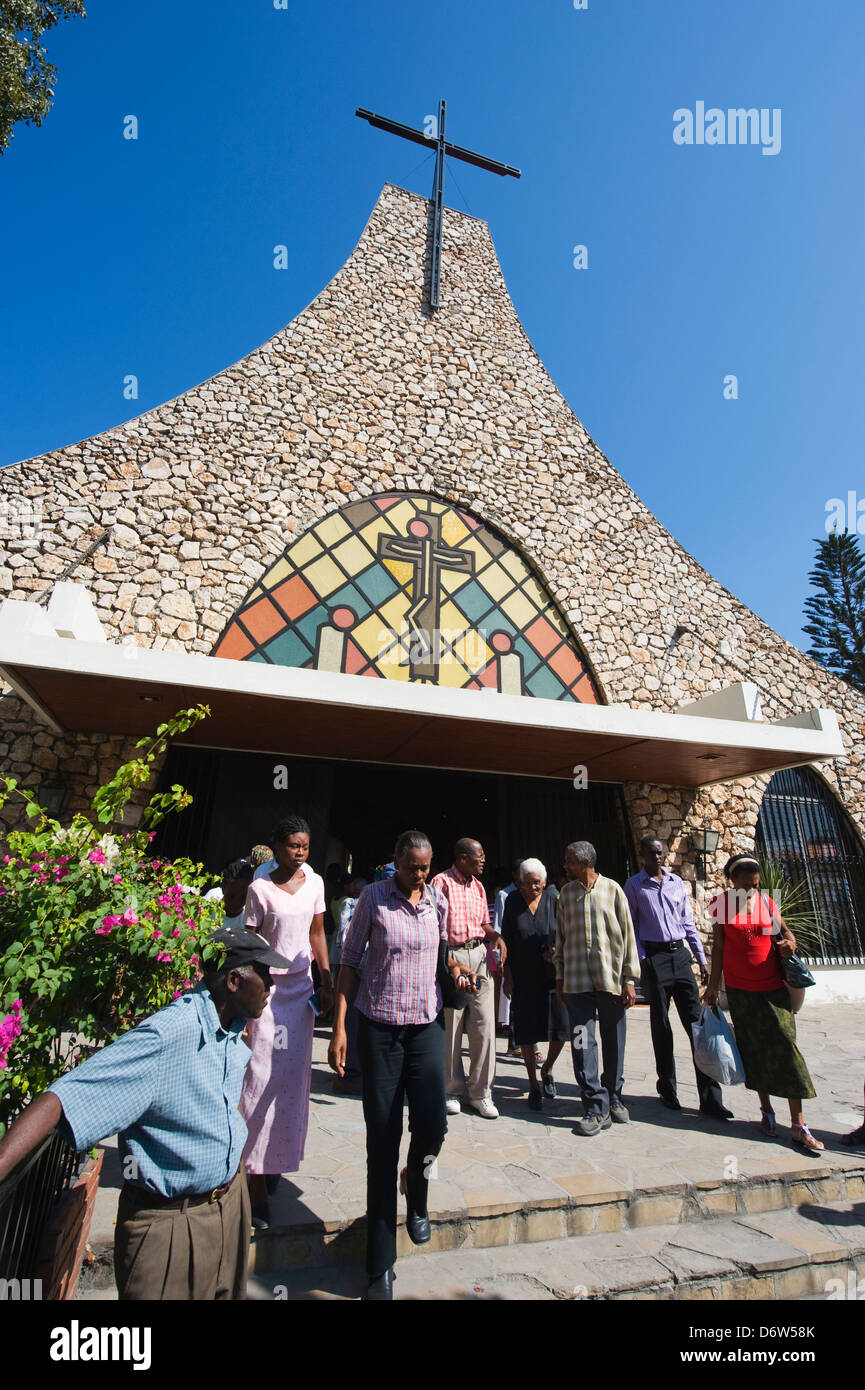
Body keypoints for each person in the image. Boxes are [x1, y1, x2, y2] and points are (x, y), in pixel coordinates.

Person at [0, 927, 291, 1300]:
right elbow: (62, 1100)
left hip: (228, 1210)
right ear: (234, 980)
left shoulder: (231, 1026)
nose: (270, 985)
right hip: (171, 1228)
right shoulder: (166, 1036)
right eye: (263, 974)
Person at [328, 829, 476, 1300]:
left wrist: (456, 970)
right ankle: (380, 1267)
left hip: (425, 1026)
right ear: (395, 861)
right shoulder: (374, 898)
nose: (419, 875)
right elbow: (349, 962)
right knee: (383, 1139)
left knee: (433, 1124)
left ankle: (417, 1183)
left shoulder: (437, 900)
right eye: (412, 866)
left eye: (426, 867)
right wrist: (340, 1028)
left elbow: (443, 956)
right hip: (380, 1028)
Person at [240, 815, 334, 1227]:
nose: (300, 853)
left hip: (300, 996)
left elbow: (317, 934)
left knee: (291, 1083)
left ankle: (275, 1161)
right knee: (259, 1080)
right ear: (277, 846)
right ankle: (254, 1185)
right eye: (294, 845)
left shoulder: (315, 884)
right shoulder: (259, 889)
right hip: (265, 992)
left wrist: (326, 979)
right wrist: (245, 1003)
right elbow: (248, 945)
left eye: (305, 847)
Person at [704, 852, 822, 1153]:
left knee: (786, 1047)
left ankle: (798, 1123)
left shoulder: (768, 903)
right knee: (753, 1051)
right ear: (732, 882)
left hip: (772, 988)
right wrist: (713, 986)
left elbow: (787, 935)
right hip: (741, 991)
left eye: (755, 885)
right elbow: (718, 947)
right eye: (745, 885)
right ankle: (766, 1112)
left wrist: (789, 944)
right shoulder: (722, 905)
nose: (750, 890)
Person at [624, 836, 732, 1121]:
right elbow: (631, 927)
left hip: (680, 955)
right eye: (652, 852)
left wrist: (701, 959)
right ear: (643, 854)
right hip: (655, 958)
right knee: (661, 1026)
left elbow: (688, 923)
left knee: (697, 1026)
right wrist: (643, 960)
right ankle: (667, 1089)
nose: (658, 857)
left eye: (661, 852)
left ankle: (710, 1098)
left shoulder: (676, 884)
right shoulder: (634, 886)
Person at [555, 840, 640, 1136]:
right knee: (582, 1041)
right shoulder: (565, 894)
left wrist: (629, 979)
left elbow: (628, 935)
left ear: (584, 862)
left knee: (614, 1039)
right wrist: (559, 977)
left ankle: (614, 1095)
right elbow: (561, 939)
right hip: (577, 982)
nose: (565, 865)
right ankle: (594, 1105)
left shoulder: (613, 890)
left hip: (611, 980)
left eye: (569, 860)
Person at [432, 837, 507, 1119]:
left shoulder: (478, 886)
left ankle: (481, 1093)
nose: (483, 860)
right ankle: (451, 1090)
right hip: (453, 956)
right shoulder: (441, 883)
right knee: (452, 1026)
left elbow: (483, 925)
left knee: (484, 1026)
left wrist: (497, 938)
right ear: (463, 858)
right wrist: (447, 963)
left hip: (479, 955)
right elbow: (434, 926)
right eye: (479, 856)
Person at [501, 858, 568, 1110]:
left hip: (552, 975)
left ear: (545, 881)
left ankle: (548, 1067)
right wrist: (507, 975)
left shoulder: (554, 899)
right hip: (523, 974)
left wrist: (556, 952)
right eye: (526, 883)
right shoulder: (513, 902)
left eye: (536, 883)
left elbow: (565, 933)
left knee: (561, 1028)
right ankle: (532, 1085)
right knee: (526, 1031)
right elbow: (506, 938)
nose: (531, 888)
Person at [204, 858, 255, 929]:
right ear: (223, 887)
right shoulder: (210, 903)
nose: (236, 903)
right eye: (231, 896)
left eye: (243, 897)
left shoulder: (249, 921)